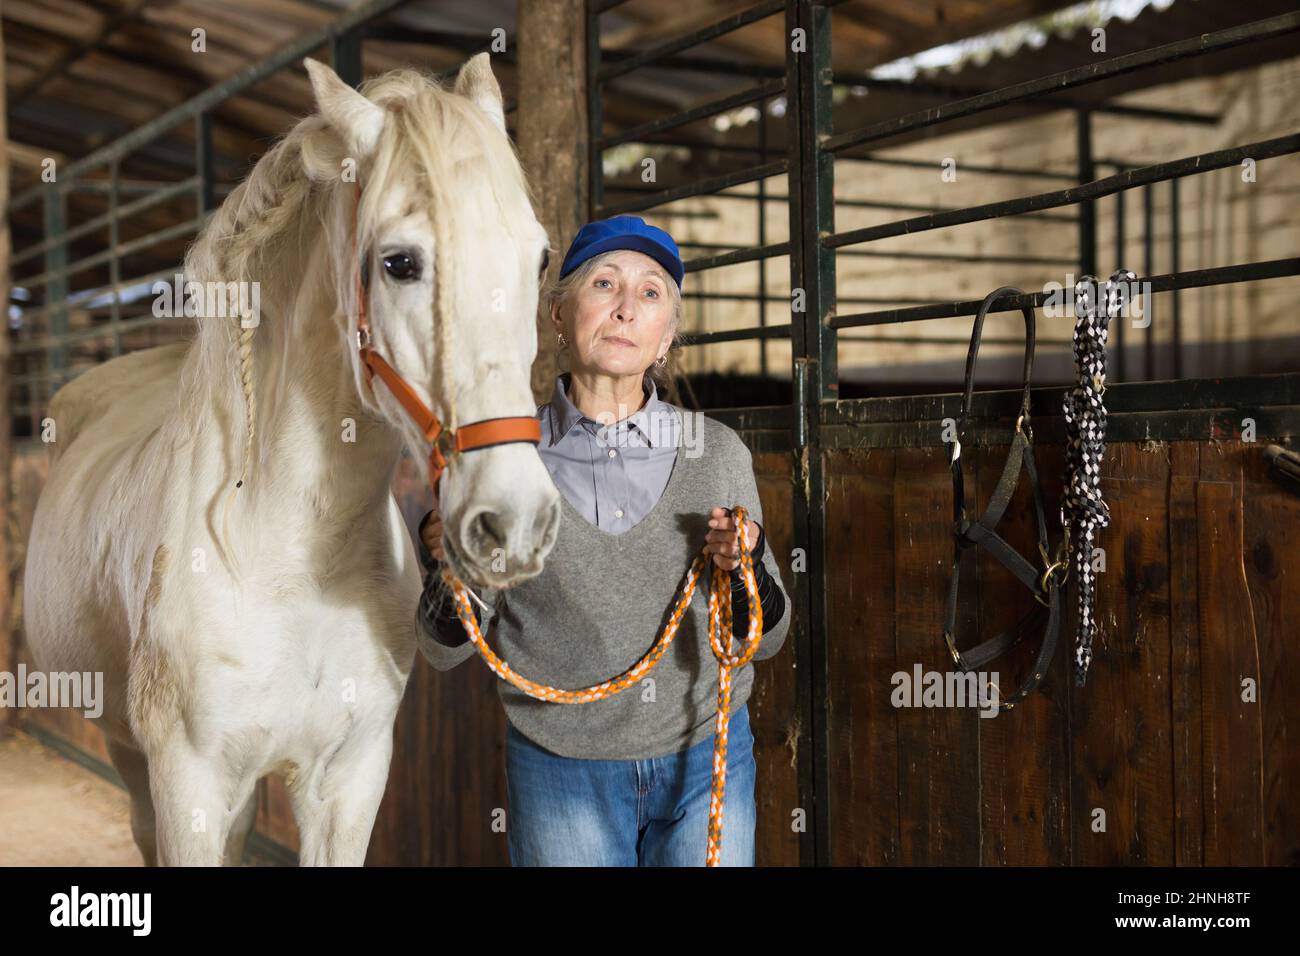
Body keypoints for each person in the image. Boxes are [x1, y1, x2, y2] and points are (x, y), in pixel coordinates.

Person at [414, 214, 790, 866]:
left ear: (667, 334)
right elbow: (444, 649)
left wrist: (747, 564)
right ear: (559, 314)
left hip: (705, 758)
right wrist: (444, 564)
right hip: (561, 768)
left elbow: (770, 637)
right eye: (604, 284)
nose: (624, 309)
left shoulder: (718, 455)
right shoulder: (505, 462)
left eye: (650, 294)